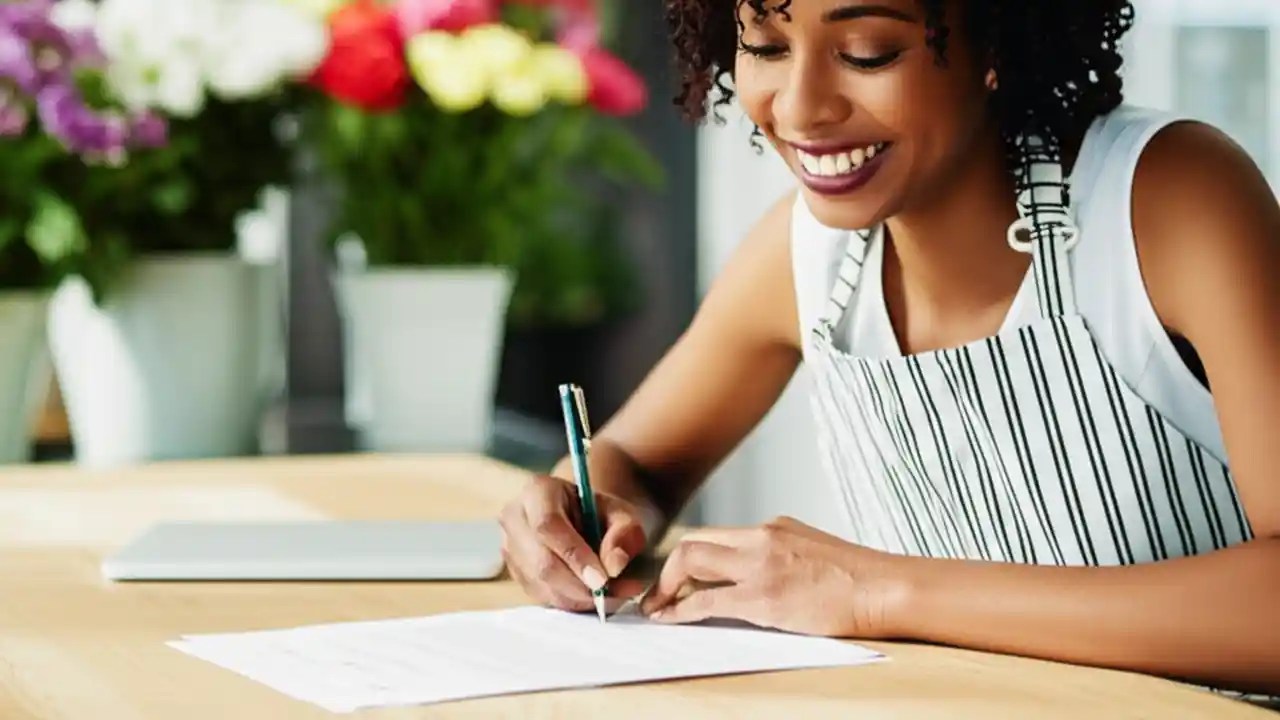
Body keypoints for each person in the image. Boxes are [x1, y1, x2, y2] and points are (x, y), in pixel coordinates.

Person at [498, 0, 1280, 697]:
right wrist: (575, 510)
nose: (801, 107)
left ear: (996, 39)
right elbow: (638, 460)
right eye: (766, 47)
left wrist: (875, 593)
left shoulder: (1172, 199)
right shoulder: (808, 254)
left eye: (868, 50)